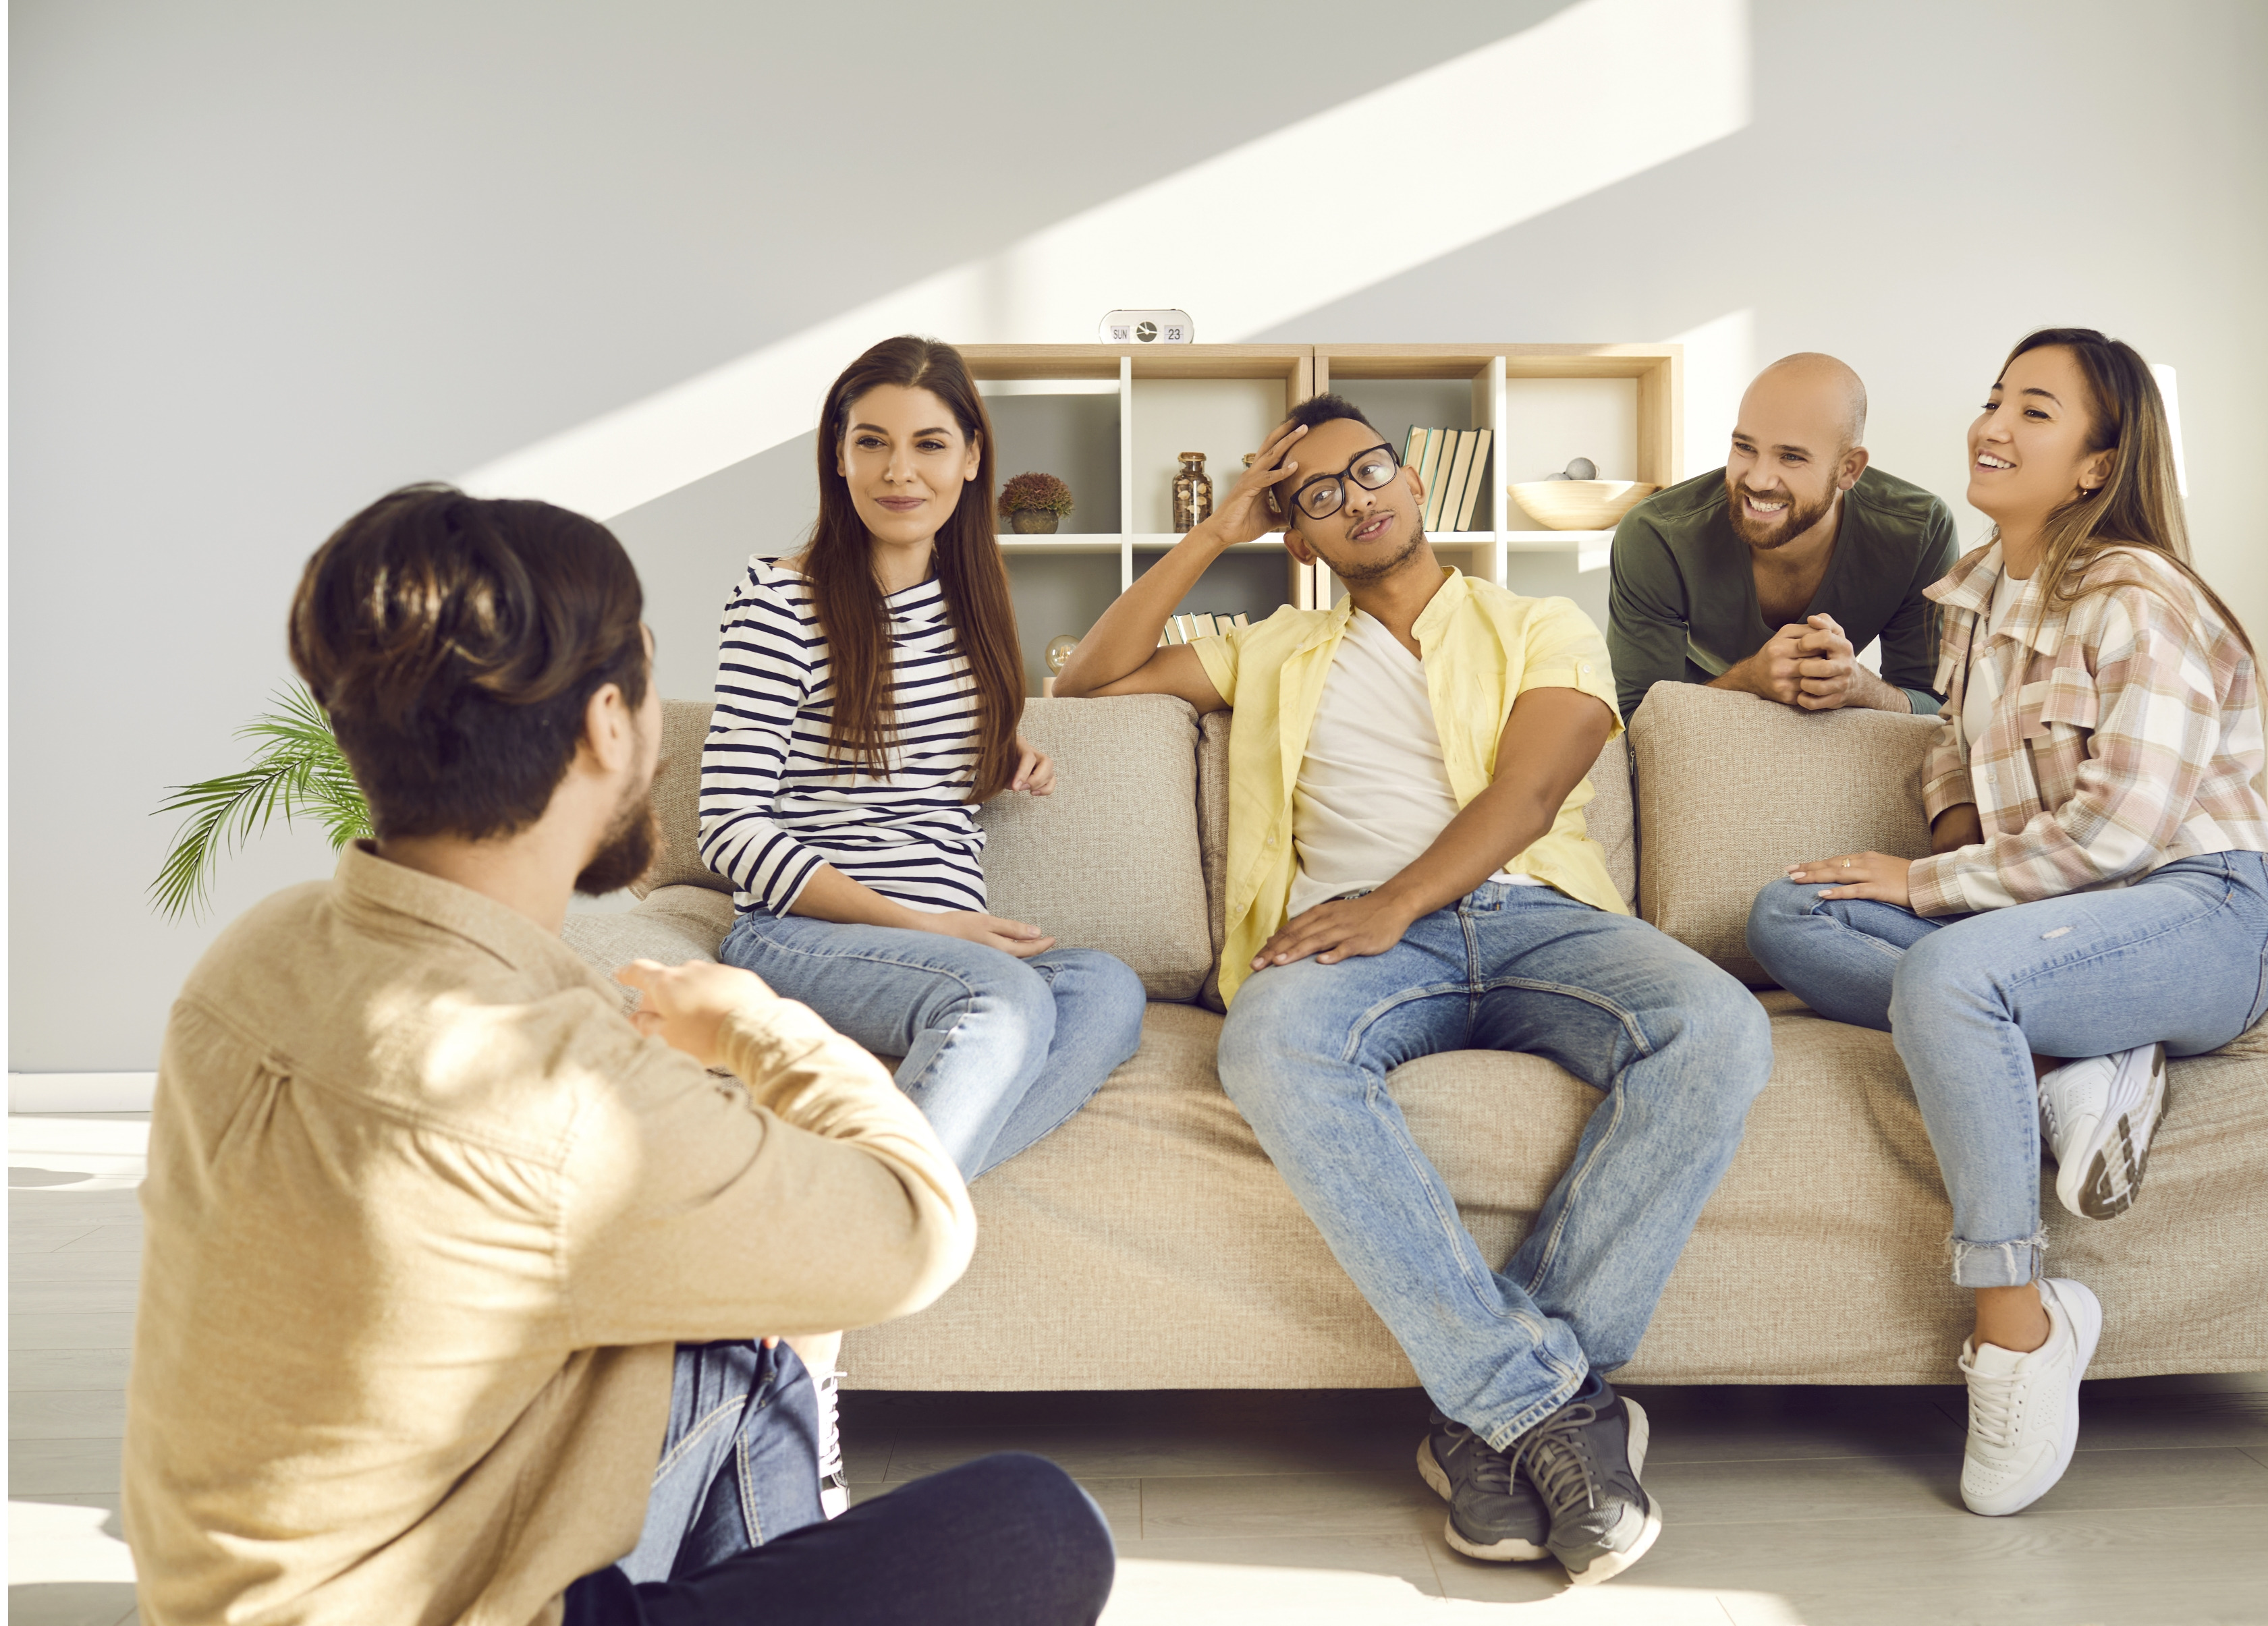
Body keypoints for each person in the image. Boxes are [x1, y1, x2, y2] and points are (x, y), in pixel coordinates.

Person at [123, 484, 1115, 1625]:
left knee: (741, 1359)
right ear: (607, 724)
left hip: (270, 1585)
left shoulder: (257, 954)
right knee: (1035, 1524)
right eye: (650, 672)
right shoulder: (563, 1097)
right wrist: (757, 1022)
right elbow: (914, 1236)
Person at [1053, 394, 1773, 1587]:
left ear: (1418, 481)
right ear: (1300, 537)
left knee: (1718, 1026)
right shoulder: (1267, 647)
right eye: (1318, 494)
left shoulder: (1545, 623)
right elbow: (1086, 683)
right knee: (1270, 1050)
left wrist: (1400, 896)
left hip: (1537, 917)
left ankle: (1492, 1416)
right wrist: (1212, 531)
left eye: (1370, 469)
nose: (1357, 498)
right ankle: (1550, 1410)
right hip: (1360, 957)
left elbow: (1532, 795)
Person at [1744, 329, 2268, 1519]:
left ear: (2098, 464)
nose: (1993, 425)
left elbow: (2121, 837)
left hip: (2198, 913)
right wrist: (1944, 840)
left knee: (1945, 983)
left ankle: (2019, 1328)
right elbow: (1954, 744)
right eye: (1996, 398)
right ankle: (2067, 1058)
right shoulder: (1981, 594)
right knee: (1789, 914)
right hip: (2056, 927)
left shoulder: (2143, 599)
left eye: (2035, 411)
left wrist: (1929, 892)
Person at [700, 334, 1144, 1194]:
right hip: (807, 935)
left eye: (929, 444)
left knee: (1106, 988)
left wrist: (999, 743)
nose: (899, 472)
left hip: (945, 946)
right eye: (872, 442)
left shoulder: (969, 605)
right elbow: (728, 827)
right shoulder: (781, 601)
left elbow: (903, 739)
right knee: (1005, 1001)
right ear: (839, 455)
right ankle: (864, 1238)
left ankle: (894, 1195)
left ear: (972, 458)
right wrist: (927, 925)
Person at [1607, 352, 1959, 719]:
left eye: (1791, 457)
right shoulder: (1657, 534)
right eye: (1745, 447)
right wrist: (1750, 679)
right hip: (1700, 718)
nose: (1758, 481)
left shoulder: (1920, 531)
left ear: (1849, 469)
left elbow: (1937, 709)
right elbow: (1634, 718)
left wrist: (1860, 688)